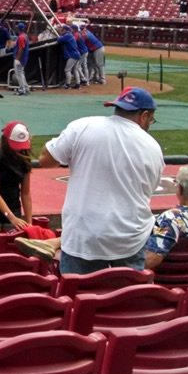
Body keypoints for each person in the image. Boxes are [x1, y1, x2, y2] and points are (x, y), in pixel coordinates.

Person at [39, 87, 164, 275]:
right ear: (144, 115)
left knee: (79, 300)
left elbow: (46, 160)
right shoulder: (153, 147)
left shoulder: (82, 126)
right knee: (126, 300)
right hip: (130, 238)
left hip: (83, 238)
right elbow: (149, 189)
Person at [18, 165, 188, 268]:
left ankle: (54, 243)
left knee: (117, 236)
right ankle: (54, 242)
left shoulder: (172, 219)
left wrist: (122, 263)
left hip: (164, 284)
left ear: (180, 190)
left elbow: (152, 260)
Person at [0, 121, 34, 247]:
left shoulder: (25, 159)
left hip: (13, 205)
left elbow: (25, 193)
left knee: (13, 247)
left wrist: (29, 221)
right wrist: (11, 218)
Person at [58, 25, 83, 89]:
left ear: (65, 30)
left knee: (67, 70)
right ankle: (78, 84)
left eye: (62, 30)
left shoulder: (68, 35)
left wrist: (59, 36)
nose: (61, 31)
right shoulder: (70, 34)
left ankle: (67, 84)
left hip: (73, 55)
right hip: (76, 54)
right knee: (75, 70)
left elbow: (59, 40)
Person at [11, 22, 31, 95]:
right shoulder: (24, 36)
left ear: (18, 28)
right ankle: (26, 88)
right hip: (24, 58)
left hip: (20, 58)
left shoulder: (21, 37)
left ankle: (22, 89)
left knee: (19, 74)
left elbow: (21, 48)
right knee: (21, 73)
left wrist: (17, 59)